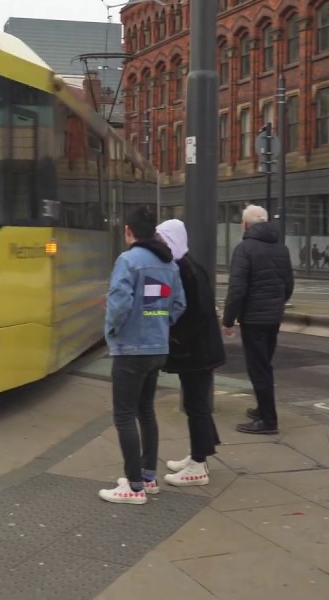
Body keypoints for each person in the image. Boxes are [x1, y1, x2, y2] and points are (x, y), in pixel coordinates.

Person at [100, 206, 185, 505]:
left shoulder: (128, 261)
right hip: (157, 348)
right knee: (146, 412)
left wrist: (112, 330)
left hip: (131, 349)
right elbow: (178, 304)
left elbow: (119, 303)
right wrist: (159, 323)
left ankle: (134, 486)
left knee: (124, 415)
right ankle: (148, 477)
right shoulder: (169, 265)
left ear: (128, 231)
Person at [156, 219, 226, 487]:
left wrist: (174, 335)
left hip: (196, 350)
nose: (159, 244)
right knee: (197, 404)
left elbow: (192, 313)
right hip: (201, 349)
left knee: (196, 406)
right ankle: (199, 454)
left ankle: (198, 464)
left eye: (162, 239)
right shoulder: (190, 265)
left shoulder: (183, 269)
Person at [222, 204, 294, 435]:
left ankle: (268, 420)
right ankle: (262, 409)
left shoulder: (244, 249)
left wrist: (228, 320)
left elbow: (237, 289)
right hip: (273, 317)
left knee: (258, 368)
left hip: (253, 318)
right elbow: (288, 284)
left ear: (245, 225)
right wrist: (277, 305)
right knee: (264, 364)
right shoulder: (281, 248)